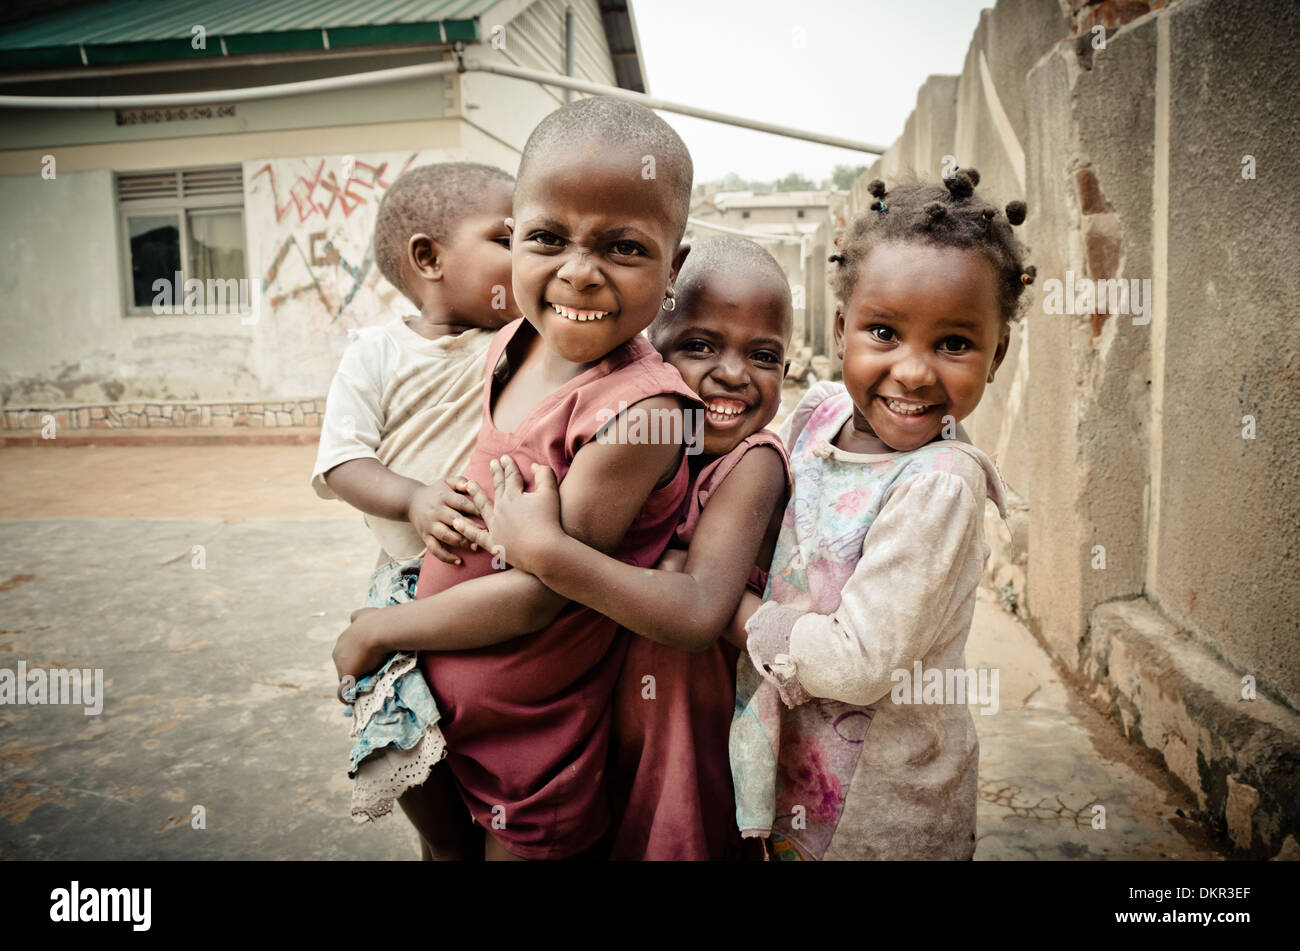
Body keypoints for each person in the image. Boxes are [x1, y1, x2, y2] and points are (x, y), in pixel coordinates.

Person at [331, 97, 701, 861]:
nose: (578, 272)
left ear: (675, 268)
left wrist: (381, 628)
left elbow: (541, 592)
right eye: (544, 237)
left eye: (624, 248)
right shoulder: (511, 340)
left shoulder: (638, 411)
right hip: (442, 705)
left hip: (535, 740)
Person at [455, 236, 795, 859]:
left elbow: (694, 611)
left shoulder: (753, 462)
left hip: (686, 728)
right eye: (698, 346)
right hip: (608, 709)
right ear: (652, 357)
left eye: (764, 355)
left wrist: (545, 550)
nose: (732, 373)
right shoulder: (640, 442)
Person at [729, 169, 1033, 860]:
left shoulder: (940, 484)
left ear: (997, 355)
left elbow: (861, 661)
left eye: (954, 343)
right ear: (842, 330)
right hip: (791, 769)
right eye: (885, 332)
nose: (915, 371)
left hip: (880, 814)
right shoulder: (820, 411)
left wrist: (728, 608)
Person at [311, 162, 517, 825]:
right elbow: (342, 459)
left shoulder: (518, 342)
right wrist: (413, 499)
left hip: (495, 583)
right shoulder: (376, 353)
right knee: (428, 797)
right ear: (427, 257)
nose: (531, 257)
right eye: (508, 239)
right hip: (403, 582)